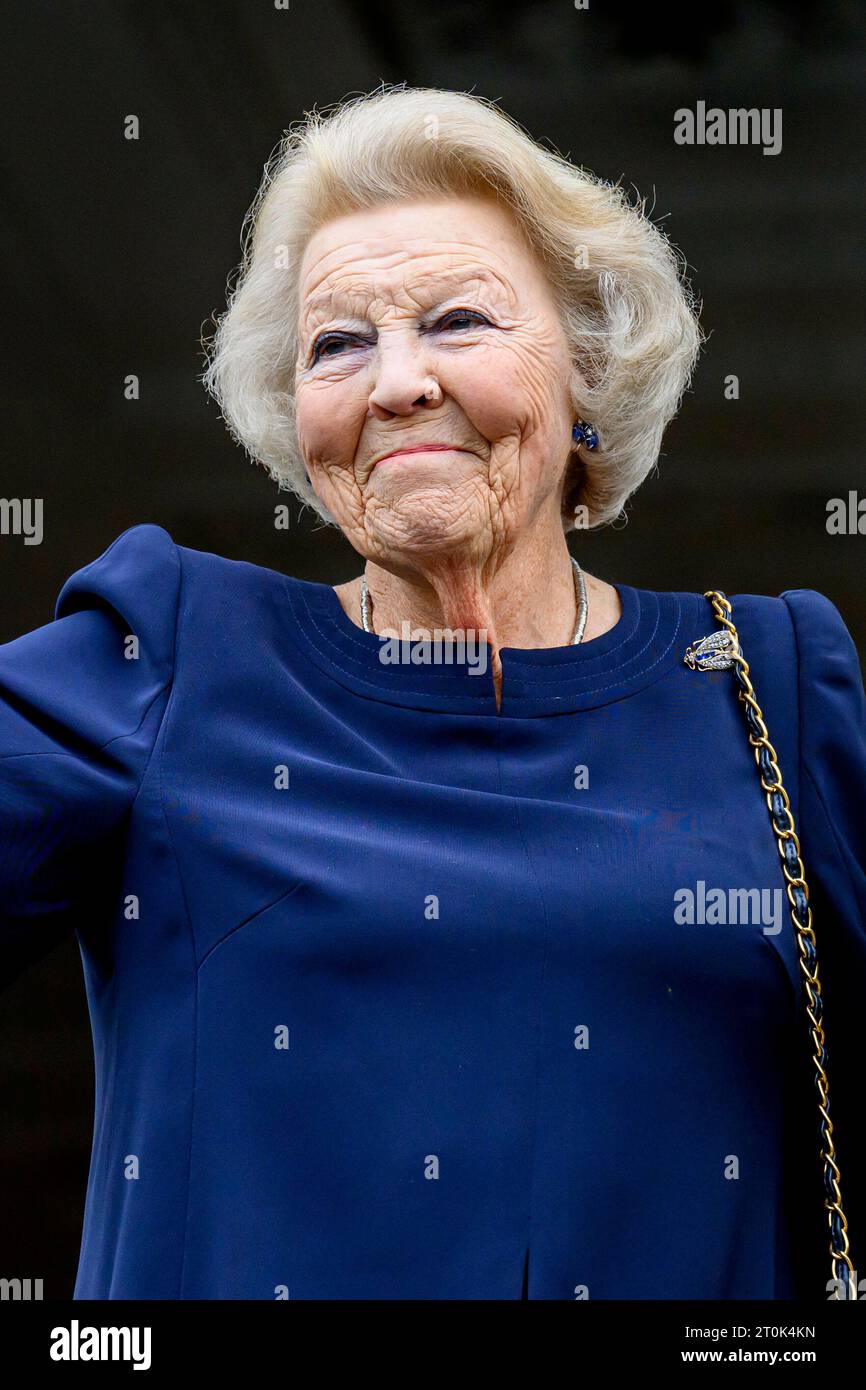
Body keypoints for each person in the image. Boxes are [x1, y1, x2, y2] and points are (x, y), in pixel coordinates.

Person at [2, 84, 864, 1300]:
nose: (395, 383)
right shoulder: (168, 654)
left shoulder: (771, 685)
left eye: (456, 321)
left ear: (588, 374)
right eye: (337, 344)